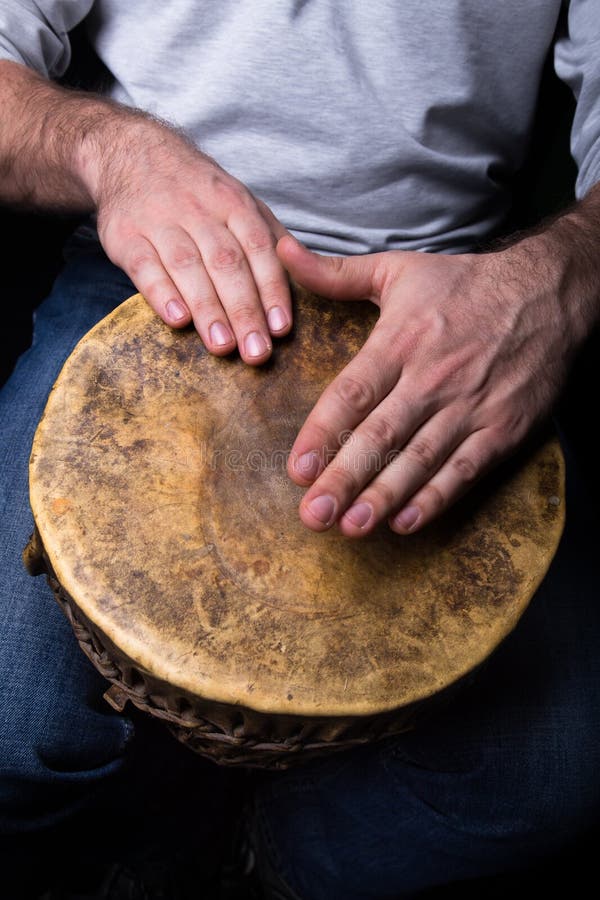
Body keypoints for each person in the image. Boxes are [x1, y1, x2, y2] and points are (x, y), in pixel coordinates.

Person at [1, 2, 600, 898]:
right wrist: (111, 152)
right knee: (13, 723)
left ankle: (270, 863)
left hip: (446, 303)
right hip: (151, 269)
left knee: (544, 780)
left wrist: (562, 272)